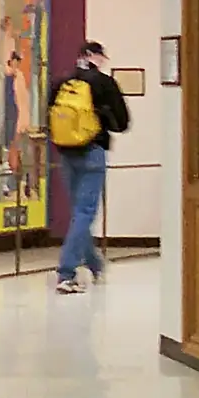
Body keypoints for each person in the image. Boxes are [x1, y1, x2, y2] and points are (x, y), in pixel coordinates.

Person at [48, 40, 130, 294]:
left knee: (78, 214)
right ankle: (66, 272)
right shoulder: (104, 83)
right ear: (94, 56)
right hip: (92, 153)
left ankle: (94, 264)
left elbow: (50, 116)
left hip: (66, 154)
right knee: (84, 213)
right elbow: (122, 123)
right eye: (102, 56)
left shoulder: (61, 83)